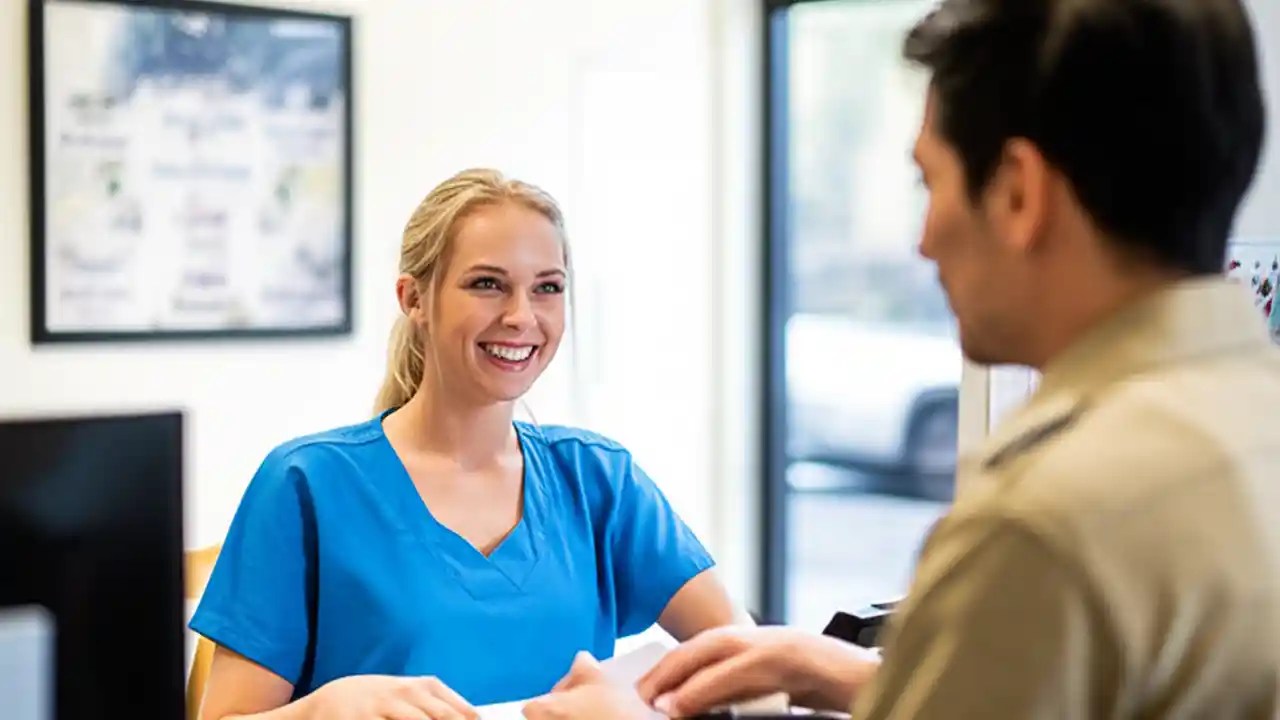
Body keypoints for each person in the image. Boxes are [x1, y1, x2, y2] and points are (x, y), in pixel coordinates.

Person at [525, 0, 1280, 718]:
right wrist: (848, 673)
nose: (923, 240)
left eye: (931, 182)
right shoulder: (1247, 416)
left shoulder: (1046, 522)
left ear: (1018, 193)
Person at [191, 169, 745, 720]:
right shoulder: (306, 484)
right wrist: (325, 710)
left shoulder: (599, 480)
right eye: (488, 284)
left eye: (547, 288)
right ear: (414, 299)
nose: (521, 316)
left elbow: (752, 662)